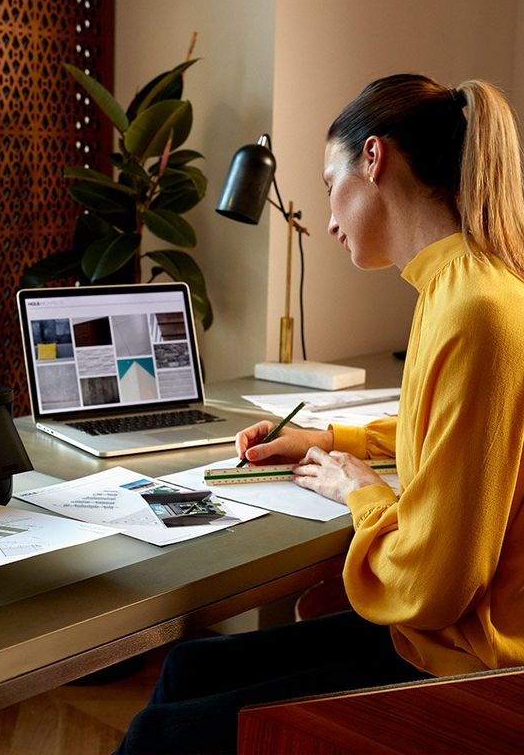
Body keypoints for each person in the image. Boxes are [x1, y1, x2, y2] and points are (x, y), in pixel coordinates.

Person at [114, 73, 524, 755]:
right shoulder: (464, 286)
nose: (328, 218)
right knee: (187, 665)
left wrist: (361, 494)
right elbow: (454, 436)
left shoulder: (472, 310)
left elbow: (433, 585)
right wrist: (323, 439)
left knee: (163, 735)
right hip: (450, 640)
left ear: (374, 159)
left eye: (330, 182)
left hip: (475, 670)